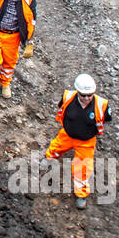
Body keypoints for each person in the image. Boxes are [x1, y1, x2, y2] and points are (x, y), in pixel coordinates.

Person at [45, 74, 111, 209]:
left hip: (86, 141)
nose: (86, 98)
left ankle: (81, 194)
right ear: (77, 92)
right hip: (67, 135)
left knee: (83, 168)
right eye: (83, 95)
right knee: (56, 147)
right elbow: (60, 107)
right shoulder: (68, 97)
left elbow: (107, 118)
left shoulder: (101, 105)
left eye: (89, 95)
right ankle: (50, 158)